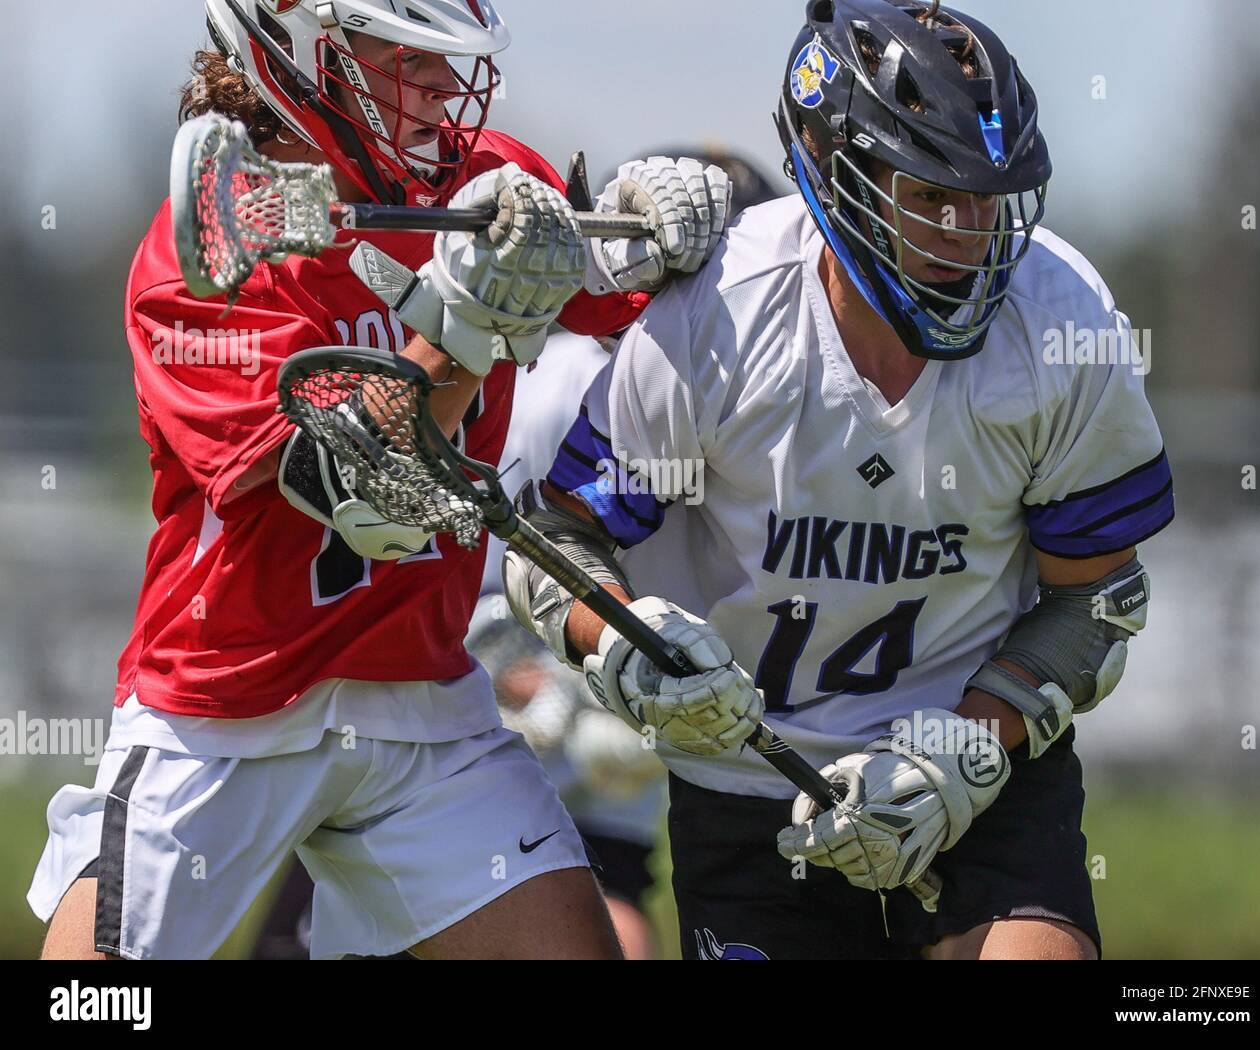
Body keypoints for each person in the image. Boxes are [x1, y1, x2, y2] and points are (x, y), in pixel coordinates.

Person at [27, 0, 729, 960]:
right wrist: (465, 323)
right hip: (230, 710)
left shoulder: (485, 183)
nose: (445, 84)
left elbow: (629, 294)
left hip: (422, 706)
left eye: (448, 57)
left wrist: (669, 228)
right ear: (303, 47)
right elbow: (364, 499)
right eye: (407, 55)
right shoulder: (203, 263)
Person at [502, 0, 1173, 960]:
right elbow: (560, 542)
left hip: (973, 768)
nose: (969, 231)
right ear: (838, 170)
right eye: (931, 195)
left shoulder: (1058, 326)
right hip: (749, 781)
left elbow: (1097, 601)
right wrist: (630, 650)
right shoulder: (721, 319)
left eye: (986, 197)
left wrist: (968, 753)